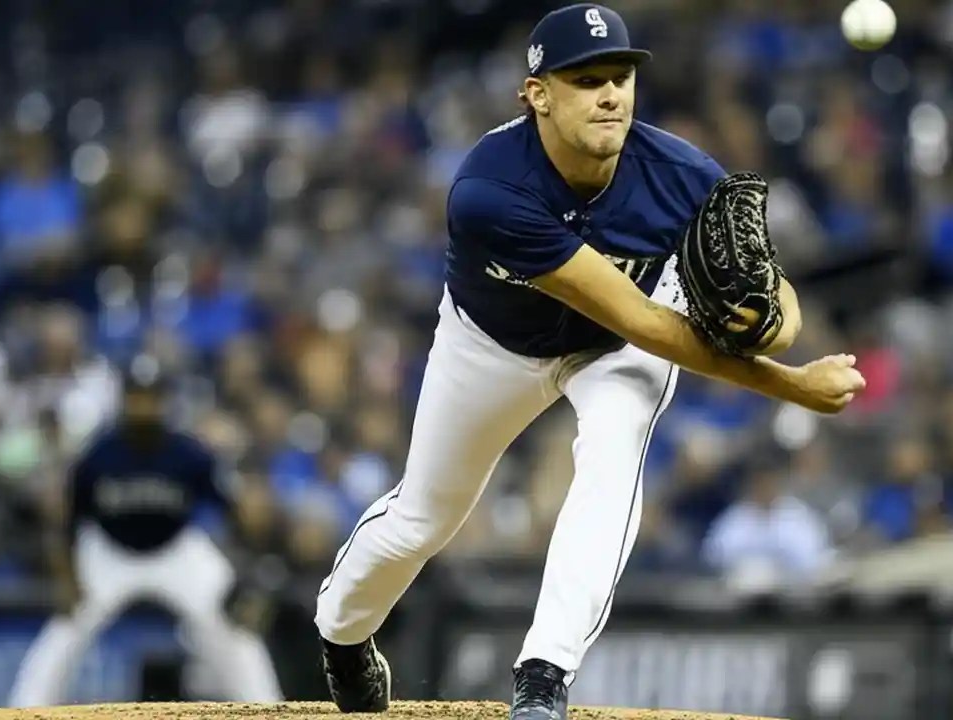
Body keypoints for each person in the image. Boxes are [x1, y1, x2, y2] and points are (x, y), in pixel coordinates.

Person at [314, 5, 866, 719]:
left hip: (613, 355)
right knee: (426, 519)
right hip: (493, 344)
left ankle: (542, 678)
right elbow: (643, 318)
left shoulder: (678, 173)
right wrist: (791, 385)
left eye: (621, 77)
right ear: (536, 94)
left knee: (613, 456)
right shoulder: (490, 191)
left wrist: (774, 327)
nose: (611, 94)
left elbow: (774, 292)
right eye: (585, 79)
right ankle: (342, 635)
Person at [8, 355, 282, 706]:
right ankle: (22, 708)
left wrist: (247, 570)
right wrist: (67, 575)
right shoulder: (99, 455)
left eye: (151, 397)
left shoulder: (188, 454)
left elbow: (233, 512)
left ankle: (269, 707)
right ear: (123, 401)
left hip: (176, 550)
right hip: (109, 553)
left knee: (232, 627)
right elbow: (68, 524)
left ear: (165, 401)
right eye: (137, 397)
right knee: (66, 630)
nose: (144, 406)